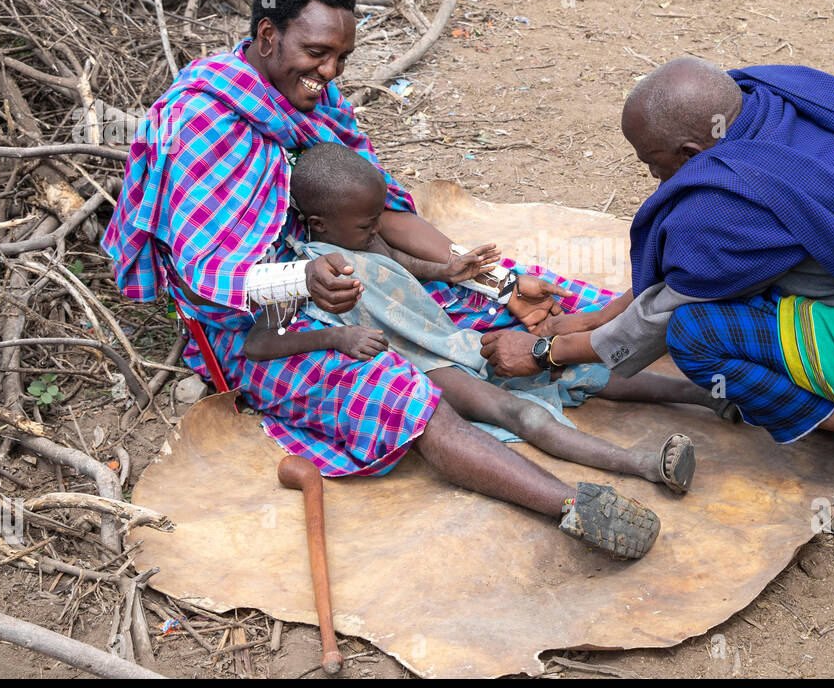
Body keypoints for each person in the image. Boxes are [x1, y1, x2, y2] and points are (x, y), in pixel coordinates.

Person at [102, 0, 665, 560]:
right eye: (317, 53)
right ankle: (574, 508)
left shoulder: (311, 100)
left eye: (341, 58)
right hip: (260, 326)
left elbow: (379, 214)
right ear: (268, 37)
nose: (329, 73)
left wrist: (482, 275)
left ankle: (713, 368)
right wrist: (304, 280)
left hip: (349, 269)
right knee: (403, 395)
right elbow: (206, 278)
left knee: (541, 296)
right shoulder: (200, 123)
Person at [480, 57, 834, 534]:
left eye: (652, 164)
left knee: (697, 336)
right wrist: (594, 317)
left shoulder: (728, 200)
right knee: (734, 283)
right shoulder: (778, 90)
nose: (653, 178)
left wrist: (544, 354)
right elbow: (696, 266)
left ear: (688, 147)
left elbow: (667, 310)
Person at [241, 140, 705, 494]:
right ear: (319, 224)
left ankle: (706, 397)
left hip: (449, 336)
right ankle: (642, 465)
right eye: (366, 225)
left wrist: (445, 270)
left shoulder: (367, 237)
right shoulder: (308, 271)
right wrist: (335, 340)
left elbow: (400, 268)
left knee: (576, 368)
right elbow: (257, 345)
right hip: (423, 364)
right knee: (519, 412)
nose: (377, 230)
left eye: (377, 219)